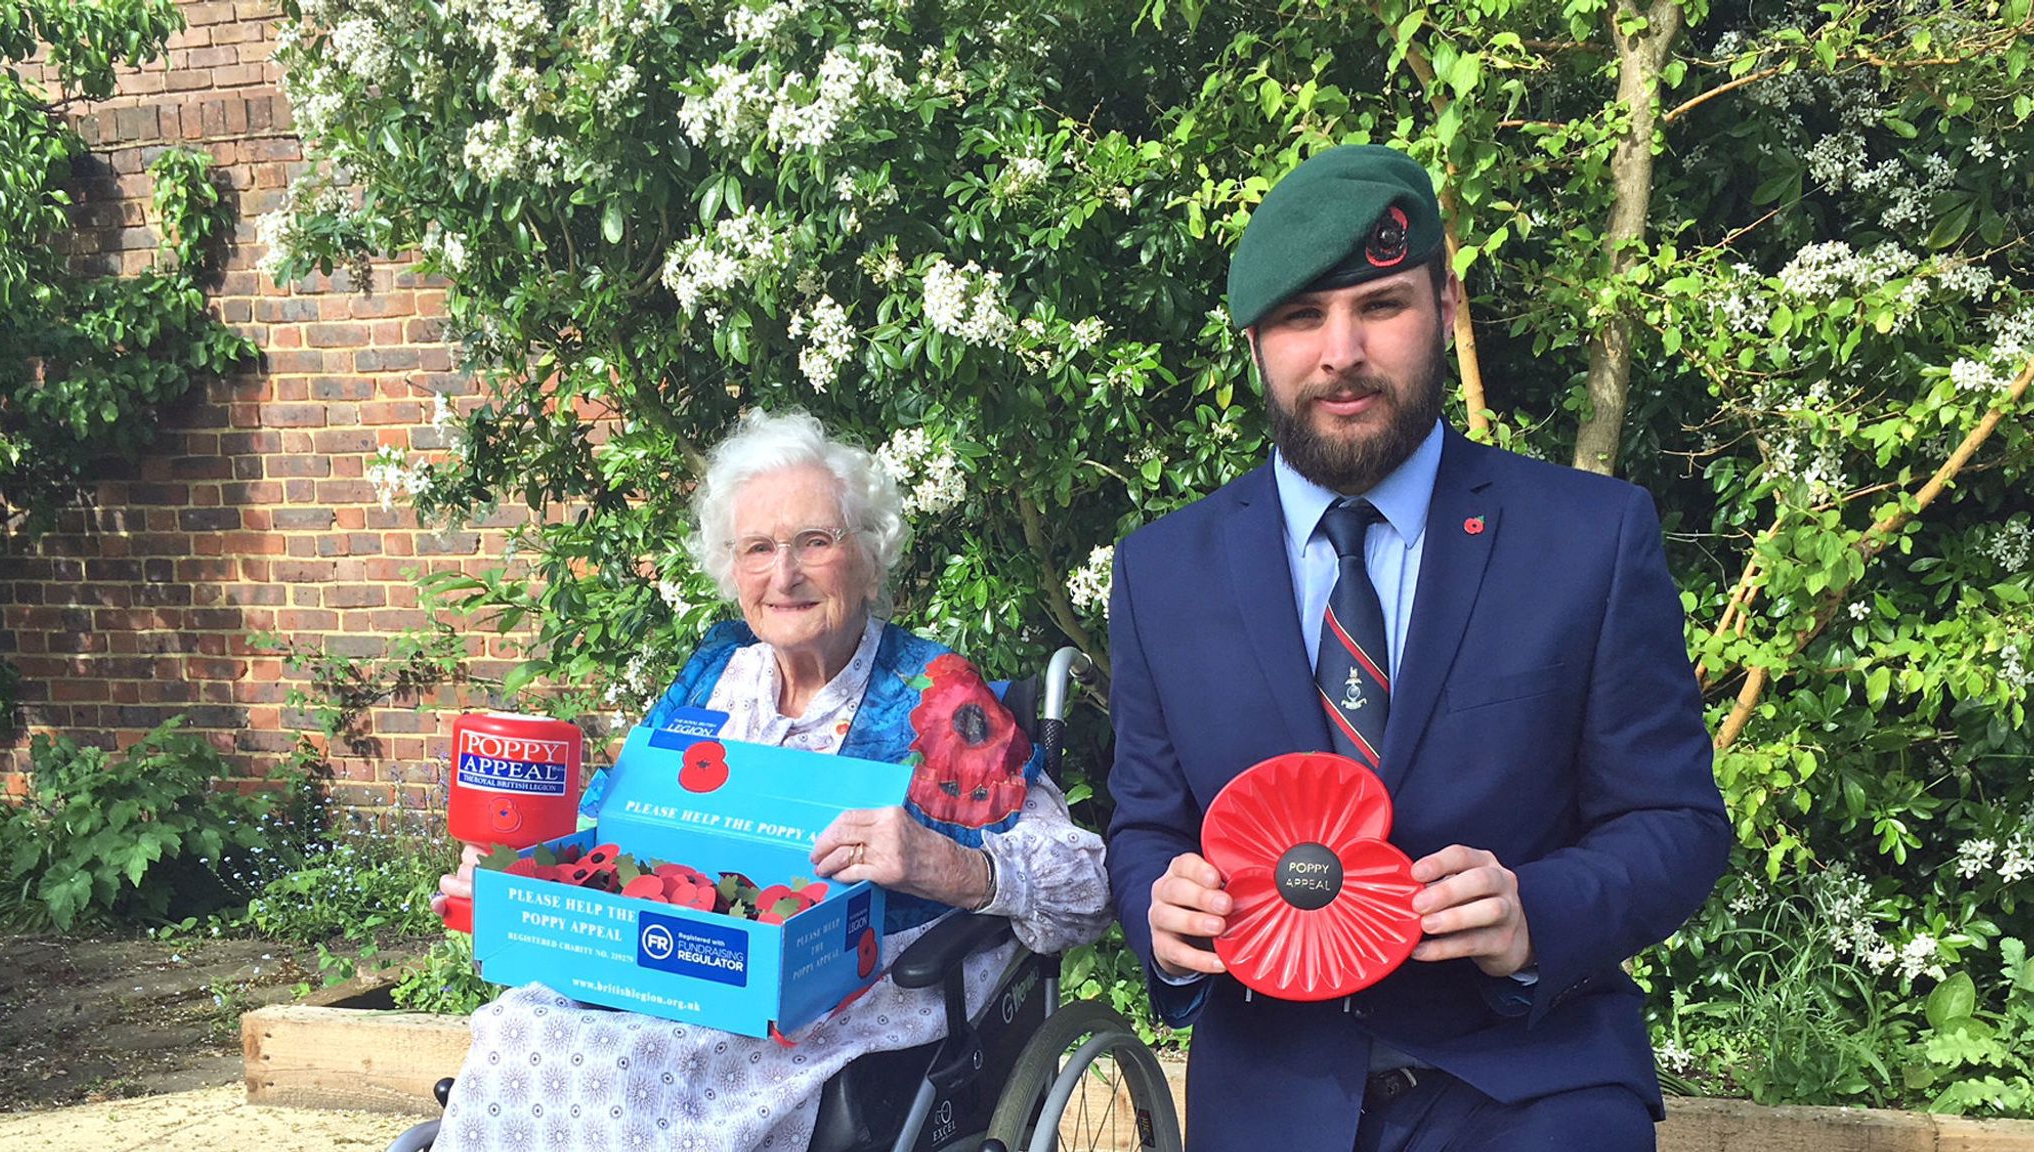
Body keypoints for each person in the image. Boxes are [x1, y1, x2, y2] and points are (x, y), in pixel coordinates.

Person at [1103, 144, 1731, 1151]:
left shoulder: (1589, 538)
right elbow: (1143, 826)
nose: (1339, 351)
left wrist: (1533, 911)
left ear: (1443, 306)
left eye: (1379, 306)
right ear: (1255, 340)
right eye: (1302, 316)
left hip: (1532, 1086)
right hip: (1268, 1101)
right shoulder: (1160, 573)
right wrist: (1160, 914)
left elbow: (1674, 820)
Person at [429, 409, 1109, 1151]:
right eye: (757, 548)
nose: (783, 575)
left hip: (834, 998)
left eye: (814, 542)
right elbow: (606, 835)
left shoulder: (939, 699)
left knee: (626, 1082)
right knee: (512, 1036)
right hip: (667, 968)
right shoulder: (715, 676)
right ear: (733, 569)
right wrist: (514, 876)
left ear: (869, 560)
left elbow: (1085, 889)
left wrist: (945, 864)